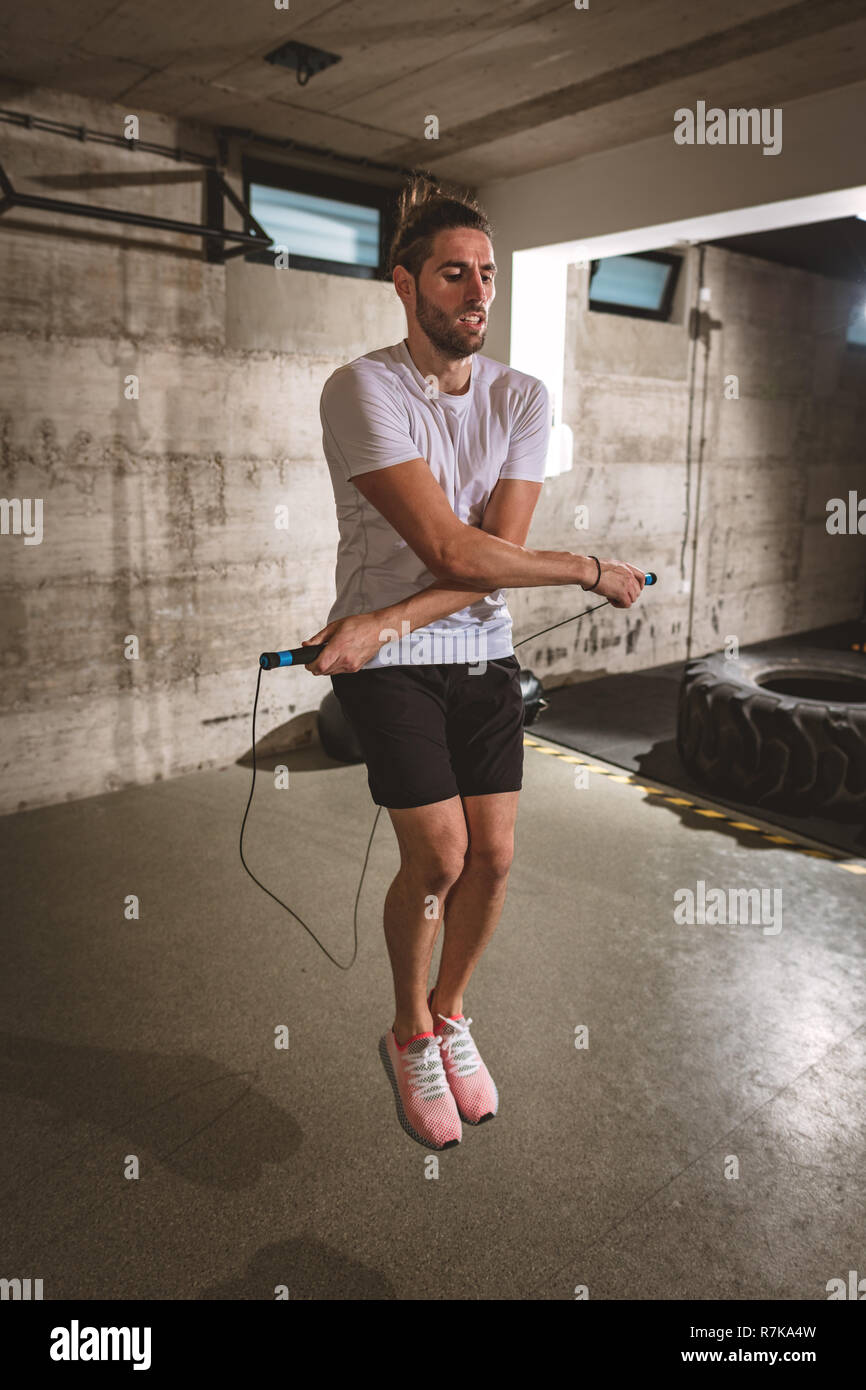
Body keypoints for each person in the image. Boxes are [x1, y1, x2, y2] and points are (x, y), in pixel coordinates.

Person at [304, 175, 645, 1151]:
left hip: (471, 649)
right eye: (452, 274)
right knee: (439, 855)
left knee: (493, 856)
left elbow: (488, 555)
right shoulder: (360, 389)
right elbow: (459, 551)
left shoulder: (521, 397)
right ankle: (407, 1028)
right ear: (404, 286)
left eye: (486, 275)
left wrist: (388, 616)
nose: (476, 293)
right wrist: (583, 566)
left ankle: (450, 1012)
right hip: (390, 669)